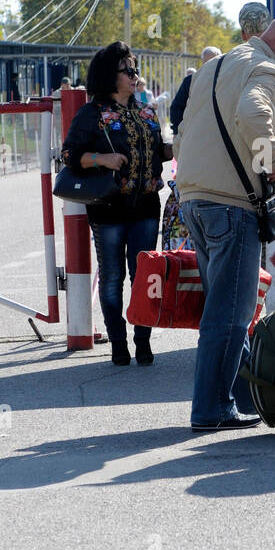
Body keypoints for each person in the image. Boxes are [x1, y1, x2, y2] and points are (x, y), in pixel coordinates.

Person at [174, 13, 275, 431]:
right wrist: (272, 160)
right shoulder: (267, 68)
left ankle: (240, 397)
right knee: (231, 314)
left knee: (222, 307)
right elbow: (254, 114)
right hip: (232, 204)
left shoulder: (215, 65)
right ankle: (211, 408)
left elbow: (183, 129)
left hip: (195, 199)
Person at [62, 42, 172, 367]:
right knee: (112, 278)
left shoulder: (146, 111)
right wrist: (101, 158)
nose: (136, 75)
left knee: (144, 277)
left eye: (136, 68)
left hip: (147, 206)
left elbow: (157, 150)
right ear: (112, 76)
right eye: (129, 69)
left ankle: (143, 340)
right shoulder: (92, 114)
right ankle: (119, 343)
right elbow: (68, 155)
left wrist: (175, 148)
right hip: (109, 208)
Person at [170, 45, 223, 131]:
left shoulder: (225, 80)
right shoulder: (190, 81)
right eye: (208, 62)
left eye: (215, 61)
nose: (211, 65)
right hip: (195, 131)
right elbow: (177, 107)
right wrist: (177, 131)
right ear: (202, 62)